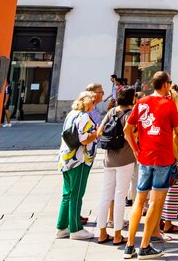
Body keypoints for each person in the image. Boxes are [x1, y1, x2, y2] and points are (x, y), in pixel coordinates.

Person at [123, 71, 178, 260]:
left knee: (139, 200)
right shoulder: (168, 105)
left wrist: (135, 149)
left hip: (144, 157)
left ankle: (129, 246)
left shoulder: (141, 103)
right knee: (155, 202)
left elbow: (128, 129)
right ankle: (144, 247)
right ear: (166, 85)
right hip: (163, 158)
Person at [95, 85, 136, 245]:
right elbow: (130, 133)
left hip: (108, 159)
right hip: (124, 159)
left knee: (106, 196)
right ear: (131, 99)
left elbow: (99, 132)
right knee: (120, 196)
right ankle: (118, 235)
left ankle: (102, 233)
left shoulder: (112, 111)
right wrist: (135, 149)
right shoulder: (130, 114)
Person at [56, 91, 98, 240]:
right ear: (87, 102)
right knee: (76, 194)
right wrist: (96, 133)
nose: (94, 104)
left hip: (66, 158)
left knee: (67, 194)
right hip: (79, 160)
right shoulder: (84, 116)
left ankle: (62, 227)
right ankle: (75, 229)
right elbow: (84, 139)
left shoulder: (71, 114)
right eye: (92, 101)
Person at [161, 85, 178, 234]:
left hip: (160, 153)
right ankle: (168, 222)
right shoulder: (173, 111)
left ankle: (160, 221)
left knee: (160, 187)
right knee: (174, 186)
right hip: (173, 153)